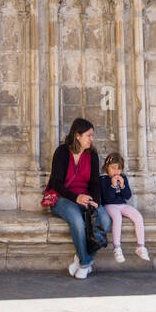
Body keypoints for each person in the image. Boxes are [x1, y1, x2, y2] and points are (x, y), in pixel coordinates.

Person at [46, 117, 111, 279]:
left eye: (92, 135)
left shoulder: (92, 155)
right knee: (77, 220)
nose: (91, 139)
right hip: (62, 198)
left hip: (86, 198)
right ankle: (85, 263)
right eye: (88, 135)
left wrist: (96, 201)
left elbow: (95, 183)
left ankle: (81, 259)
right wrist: (76, 198)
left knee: (105, 220)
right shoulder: (62, 152)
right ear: (77, 136)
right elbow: (56, 183)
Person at [99, 152, 149, 264]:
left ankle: (141, 246)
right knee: (117, 217)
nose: (117, 172)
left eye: (119, 169)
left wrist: (122, 186)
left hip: (122, 204)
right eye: (113, 168)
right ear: (107, 167)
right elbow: (106, 198)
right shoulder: (103, 179)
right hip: (109, 205)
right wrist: (112, 185)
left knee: (138, 216)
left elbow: (127, 196)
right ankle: (117, 247)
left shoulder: (123, 177)